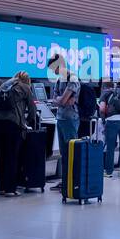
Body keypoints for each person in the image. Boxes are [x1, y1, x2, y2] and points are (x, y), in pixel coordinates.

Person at [0, 70, 34, 197]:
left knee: (0, 156)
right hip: (13, 124)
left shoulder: (4, 86)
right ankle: (10, 189)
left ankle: (2, 187)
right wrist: (27, 122)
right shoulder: (25, 88)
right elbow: (32, 109)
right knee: (12, 156)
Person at [48, 53, 80, 191]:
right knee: (64, 153)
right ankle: (65, 181)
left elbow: (61, 100)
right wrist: (61, 100)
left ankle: (73, 182)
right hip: (60, 118)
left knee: (71, 151)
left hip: (70, 119)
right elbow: (56, 99)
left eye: (53, 68)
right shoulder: (59, 80)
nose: (52, 71)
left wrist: (61, 100)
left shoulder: (72, 78)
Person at [99, 80, 120, 178]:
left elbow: (102, 108)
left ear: (103, 87)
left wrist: (104, 117)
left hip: (112, 120)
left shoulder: (106, 93)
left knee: (110, 146)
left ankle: (109, 171)